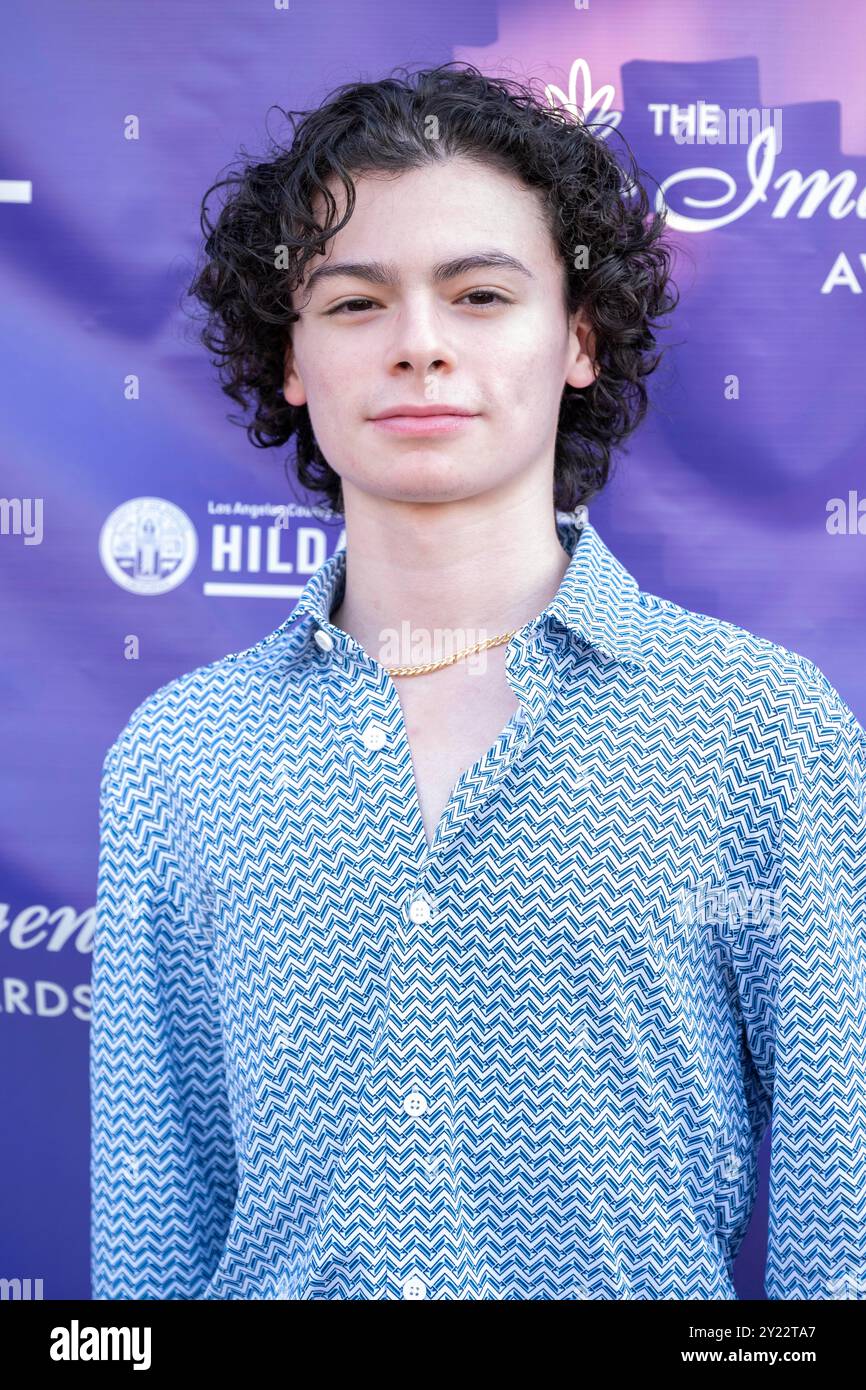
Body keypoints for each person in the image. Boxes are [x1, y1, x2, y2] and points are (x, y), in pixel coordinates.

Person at [90, 61, 866, 1301]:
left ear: (575, 337)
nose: (418, 347)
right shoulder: (178, 756)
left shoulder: (757, 730)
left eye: (479, 293)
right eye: (352, 304)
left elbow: (845, 1210)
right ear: (289, 359)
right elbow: (151, 1226)